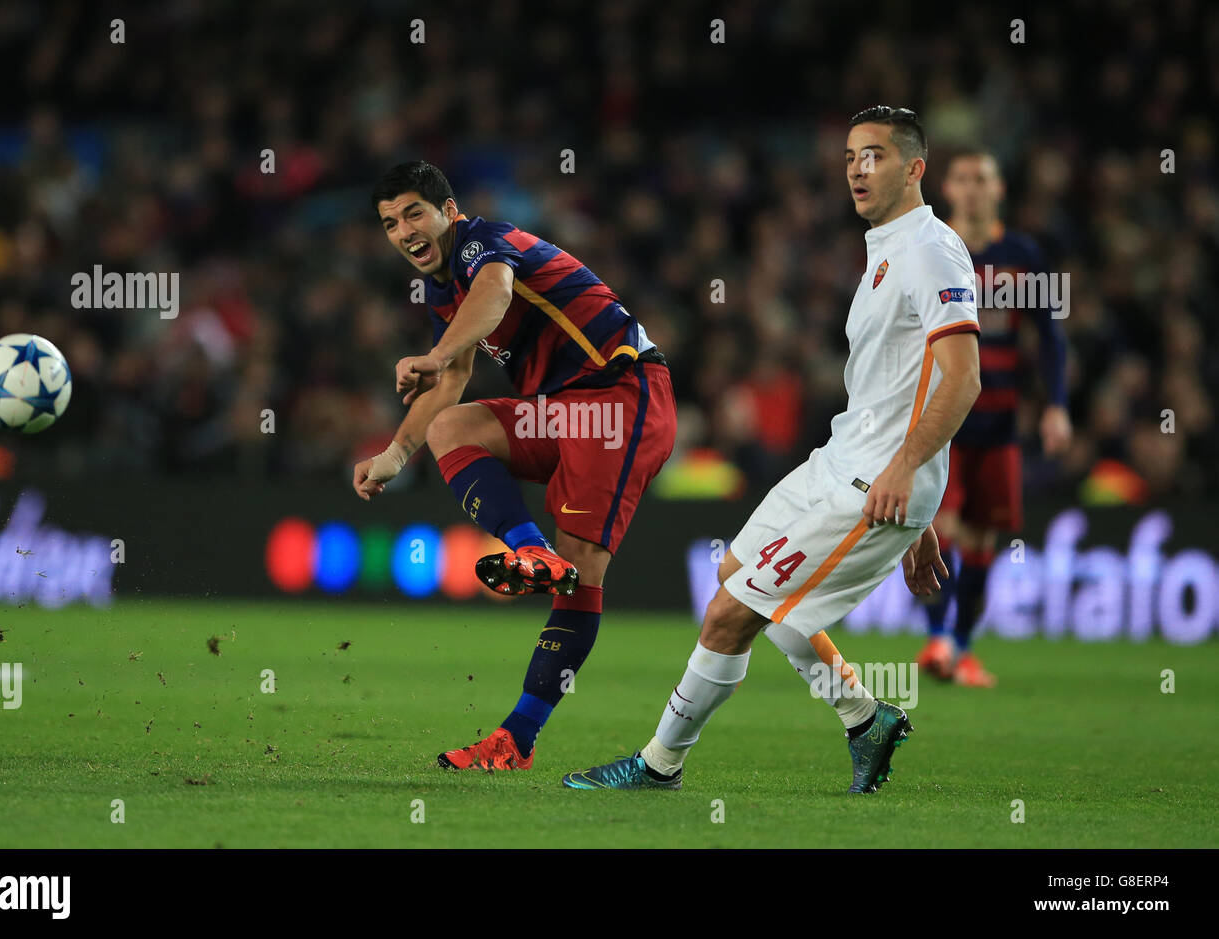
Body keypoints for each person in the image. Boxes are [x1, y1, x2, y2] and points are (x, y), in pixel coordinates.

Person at [563, 106, 981, 793]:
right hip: (843, 460)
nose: (856, 169)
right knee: (738, 578)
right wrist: (919, 504)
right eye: (849, 156)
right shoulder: (885, 247)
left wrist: (909, 472)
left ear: (915, 169)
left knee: (735, 614)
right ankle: (864, 717)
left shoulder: (932, 250)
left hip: (873, 477)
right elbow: (901, 387)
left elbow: (962, 378)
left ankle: (659, 765)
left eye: (873, 155)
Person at [356, 161, 677, 771]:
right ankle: (532, 551)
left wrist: (437, 350)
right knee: (454, 426)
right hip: (558, 410)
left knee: (583, 575)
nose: (403, 231)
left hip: (620, 398)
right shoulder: (442, 288)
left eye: (413, 214)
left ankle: (518, 736)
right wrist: (394, 455)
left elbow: (494, 295)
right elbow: (450, 381)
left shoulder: (484, 241)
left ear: (447, 212)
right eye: (390, 223)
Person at [916, 148, 1072, 688]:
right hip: (946, 420)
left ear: (999, 189)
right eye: (963, 179)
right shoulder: (934, 246)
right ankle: (938, 641)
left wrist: (1056, 405)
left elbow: (1051, 336)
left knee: (983, 540)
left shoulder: (1023, 254)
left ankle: (959, 648)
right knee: (944, 528)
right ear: (949, 189)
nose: (973, 188)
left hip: (1002, 420)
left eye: (983, 178)